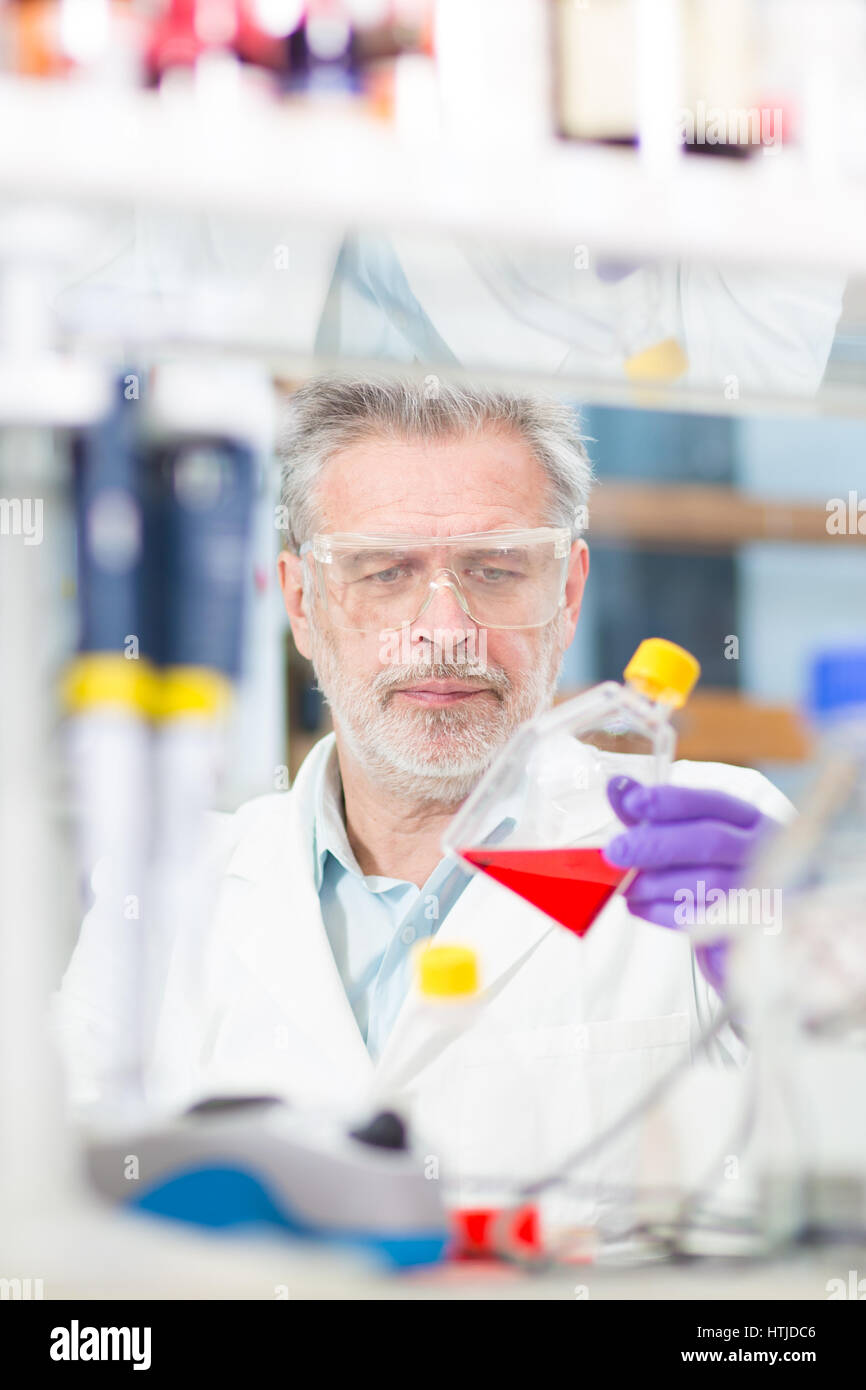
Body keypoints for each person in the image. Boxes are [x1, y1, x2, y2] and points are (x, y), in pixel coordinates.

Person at [57, 374, 791, 1230]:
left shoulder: (709, 847)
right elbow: (46, 1192)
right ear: (300, 602)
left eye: (495, 568)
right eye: (384, 570)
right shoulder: (160, 892)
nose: (444, 629)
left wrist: (807, 976)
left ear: (567, 591)